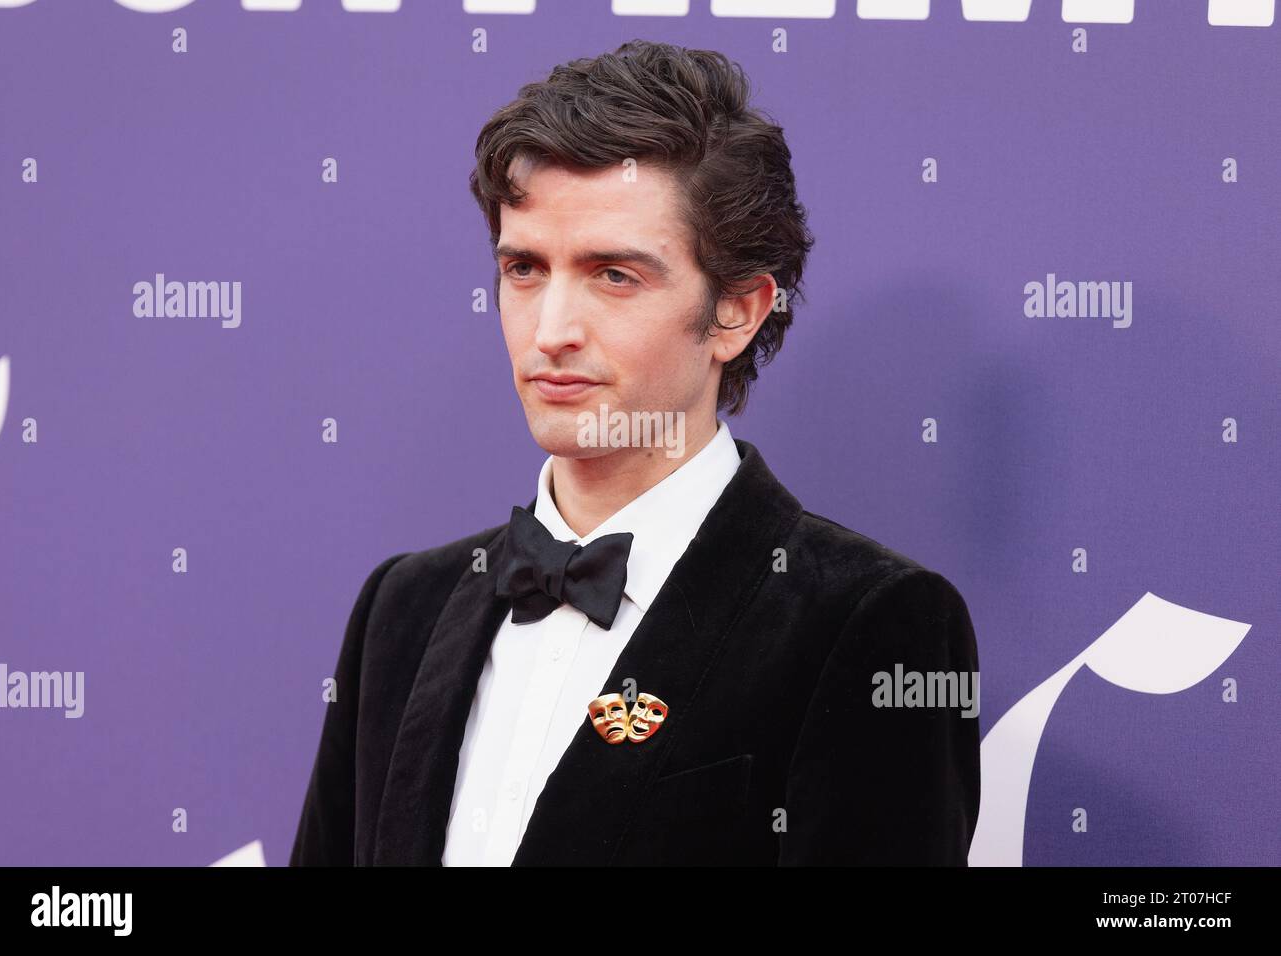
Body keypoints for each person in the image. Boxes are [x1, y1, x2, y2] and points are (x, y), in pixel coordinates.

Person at [290, 39, 979, 867]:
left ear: (737, 311)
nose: (551, 332)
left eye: (614, 275)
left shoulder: (869, 622)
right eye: (524, 269)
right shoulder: (401, 607)